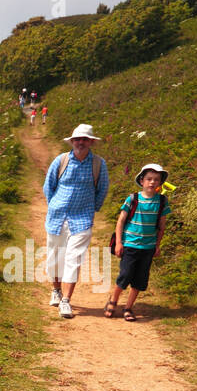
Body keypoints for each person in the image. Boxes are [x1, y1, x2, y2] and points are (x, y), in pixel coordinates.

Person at [43, 124, 109, 318]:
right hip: (57, 217)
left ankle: (66, 301)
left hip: (82, 219)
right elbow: (49, 186)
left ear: (91, 142)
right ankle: (56, 290)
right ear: (72, 142)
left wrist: (91, 210)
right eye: (77, 139)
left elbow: (102, 189)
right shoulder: (61, 160)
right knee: (54, 258)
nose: (81, 142)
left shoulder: (98, 164)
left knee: (73, 259)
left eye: (85, 139)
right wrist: (54, 205)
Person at [107, 163, 171, 321]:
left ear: (160, 182)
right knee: (125, 275)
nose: (152, 182)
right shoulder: (133, 198)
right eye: (149, 179)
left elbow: (162, 226)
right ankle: (113, 301)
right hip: (130, 245)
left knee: (140, 280)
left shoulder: (162, 201)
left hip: (148, 247)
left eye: (156, 179)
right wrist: (119, 243)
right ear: (142, 181)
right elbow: (121, 221)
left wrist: (157, 246)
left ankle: (128, 308)